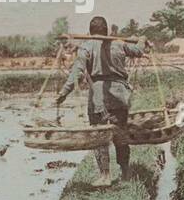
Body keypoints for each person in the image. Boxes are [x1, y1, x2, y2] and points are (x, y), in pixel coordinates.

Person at [55, 16, 149, 187]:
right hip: (119, 95)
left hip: (98, 97)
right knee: (120, 134)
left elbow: (77, 70)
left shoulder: (87, 46)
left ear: (91, 32)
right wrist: (142, 40)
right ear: (106, 31)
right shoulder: (119, 43)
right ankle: (125, 172)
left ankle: (105, 175)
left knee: (99, 136)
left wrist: (64, 92)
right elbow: (139, 51)